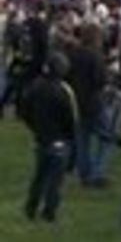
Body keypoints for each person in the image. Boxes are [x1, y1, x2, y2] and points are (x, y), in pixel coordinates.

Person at [19, 52, 77, 222]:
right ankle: (49, 212)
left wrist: (34, 127)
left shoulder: (35, 86)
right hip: (59, 140)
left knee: (39, 176)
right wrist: (69, 136)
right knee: (55, 181)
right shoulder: (64, 91)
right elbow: (70, 117)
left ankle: (31, 208)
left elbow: (25, 110)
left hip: (40, 137)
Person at [66, 21, 110, 187]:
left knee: (83, 139)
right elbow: (101, 80)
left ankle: (84, 172)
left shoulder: (73, 54)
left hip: (77, 101)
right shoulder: (96, 56)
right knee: (107, 136)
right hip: (94, 102)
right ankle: (97, 171)